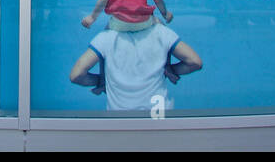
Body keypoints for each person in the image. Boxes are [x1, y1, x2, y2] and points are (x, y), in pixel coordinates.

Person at [68, 24, 202, 112]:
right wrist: (167, 70)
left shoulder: (106, 37)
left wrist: (102, 80)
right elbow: (194, 62)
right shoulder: (162, 32)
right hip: (158, 116)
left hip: (119, 119)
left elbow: (76, 74)